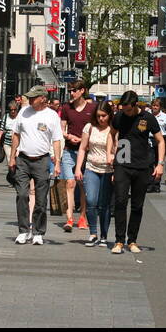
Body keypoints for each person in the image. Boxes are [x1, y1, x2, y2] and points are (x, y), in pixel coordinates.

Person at [8, 85, 63, 245]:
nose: (30, 99)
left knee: (40, 199)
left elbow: (57, 140)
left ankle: (38, 232)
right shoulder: (23, 112)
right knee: (22, 195)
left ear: (43, 98)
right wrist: (12, 157)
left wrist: (57, 162)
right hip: (23, 159)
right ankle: (23, 230)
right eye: (29, 97)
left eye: (33, 97)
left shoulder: (52, 116)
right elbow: (16, 135)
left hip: (42, 160)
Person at [111, 91, 164, 254]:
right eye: (123, 109)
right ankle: (119, 241)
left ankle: (132, 240)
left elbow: (160, 140)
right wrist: (110, 152)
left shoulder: (148, 118)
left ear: (135, 106)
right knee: (120, 201)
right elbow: (111, 134)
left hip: (142, 166)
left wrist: (160, 164)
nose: (125, 112)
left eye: (128, 110)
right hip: (122, 164)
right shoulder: (119, 116)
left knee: (137, 205)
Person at [75, 103, 116, 247]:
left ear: (110, 115)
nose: (101, 119)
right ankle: (93, 233)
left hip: (108, 170)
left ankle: (104, 236)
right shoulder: (89, 127)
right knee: (91, 200)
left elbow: (120, 150)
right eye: (98, 116)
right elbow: (82, 148)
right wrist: (78, 168)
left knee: (104, 204)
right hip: (91, 167)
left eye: (104, 116)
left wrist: (116, 170)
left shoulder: (114, 129)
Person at [59, 80, 96, 232]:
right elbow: (61, 128)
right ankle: (69, 218)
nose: (71, 93)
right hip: (69, 149)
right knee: (69, 182)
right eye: (70, 91)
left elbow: (96, 128)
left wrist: (84, 140)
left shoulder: (92, 108)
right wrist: (68, 136)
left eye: (74, 90)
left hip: (86, 152)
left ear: (82, 91)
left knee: (83, 185)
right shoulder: (67, 107)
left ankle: (82, 217)